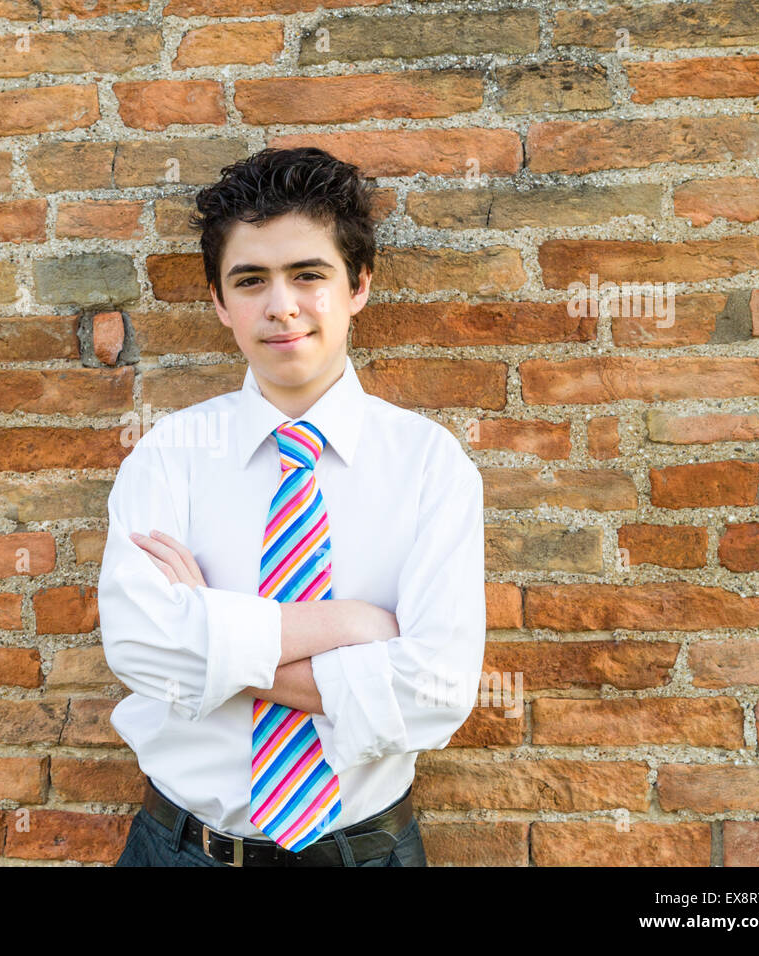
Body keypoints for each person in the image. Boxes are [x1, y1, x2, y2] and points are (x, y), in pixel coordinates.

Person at [99, 146, 486, 867]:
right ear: (220, 302)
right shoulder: (169, 454)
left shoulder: (430, 466)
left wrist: (209, 636)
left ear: (358, 285)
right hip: (182, 849)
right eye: (251, 280)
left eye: (309, 274)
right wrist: (350, 626)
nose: (281, 306)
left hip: (365, 852)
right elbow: (138, 646)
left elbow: (437, 690)